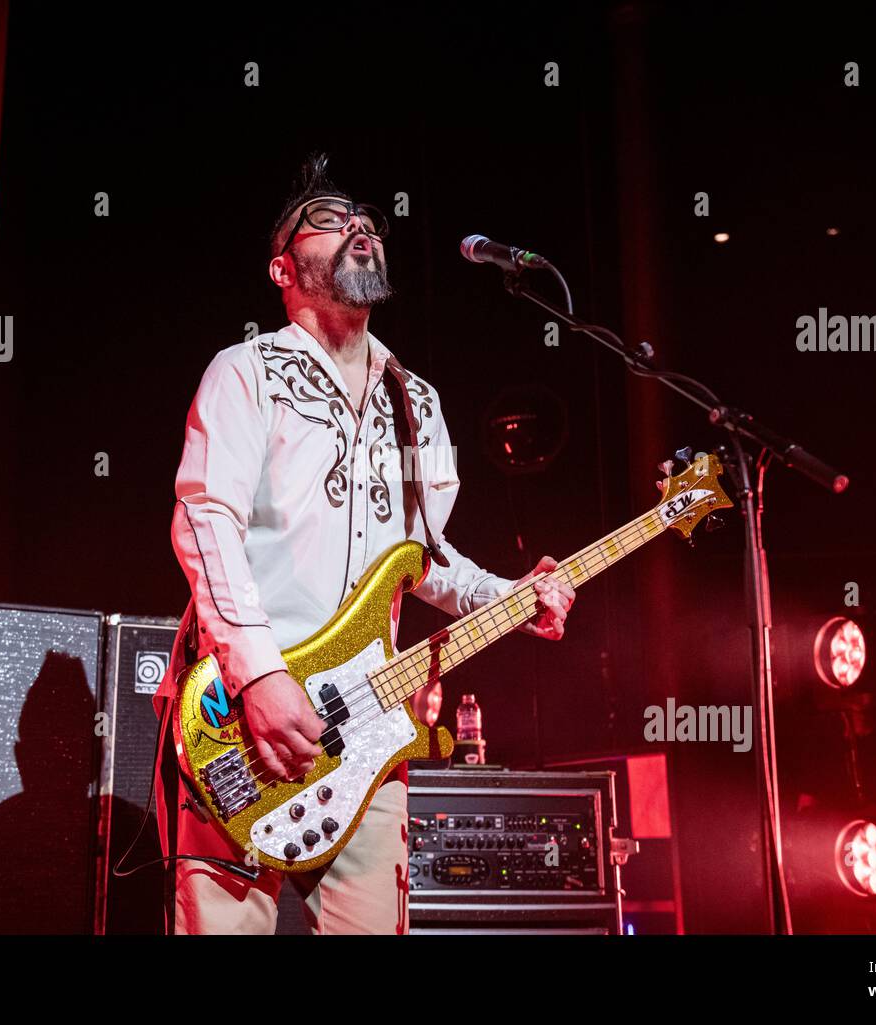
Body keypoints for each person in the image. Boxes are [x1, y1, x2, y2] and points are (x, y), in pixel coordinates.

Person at [151, 153, 575, 934]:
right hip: (245, 722)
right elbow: (206, 522)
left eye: (368, 221)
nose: (357, 226)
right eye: (326, 218)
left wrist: (509, 595)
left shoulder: (418, 403)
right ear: (281, 266)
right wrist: (260, 678)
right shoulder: (246, 372)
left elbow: (426, 558)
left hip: (367, 734)